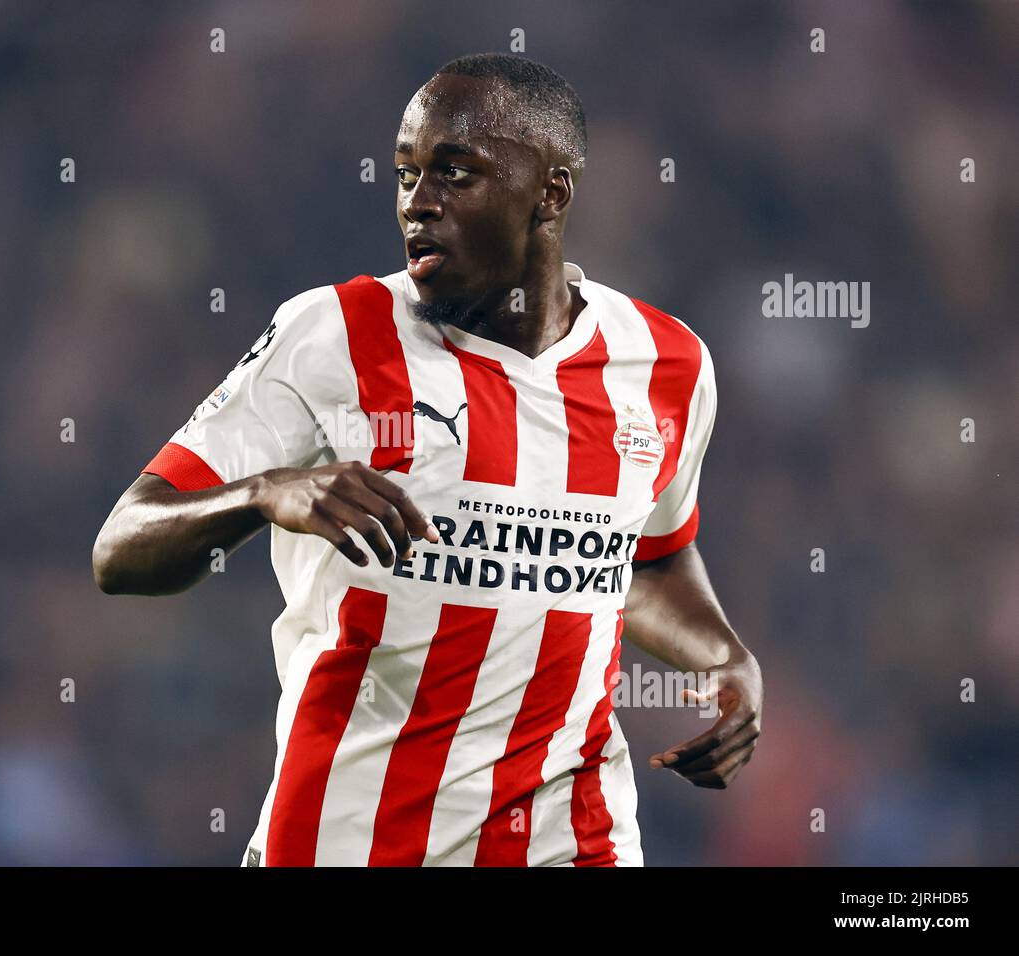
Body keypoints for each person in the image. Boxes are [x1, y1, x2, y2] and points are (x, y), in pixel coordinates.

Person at [93, 52, 762, 866]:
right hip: (346, 840)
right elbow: (122, 549)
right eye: (407, 174)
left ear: (550, 194)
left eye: (455, 173)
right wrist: (264, 493)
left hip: (572, 840)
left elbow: (644, 562)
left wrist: (725, 657)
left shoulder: (667, 365)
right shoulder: (335, 334)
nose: (420, 202)